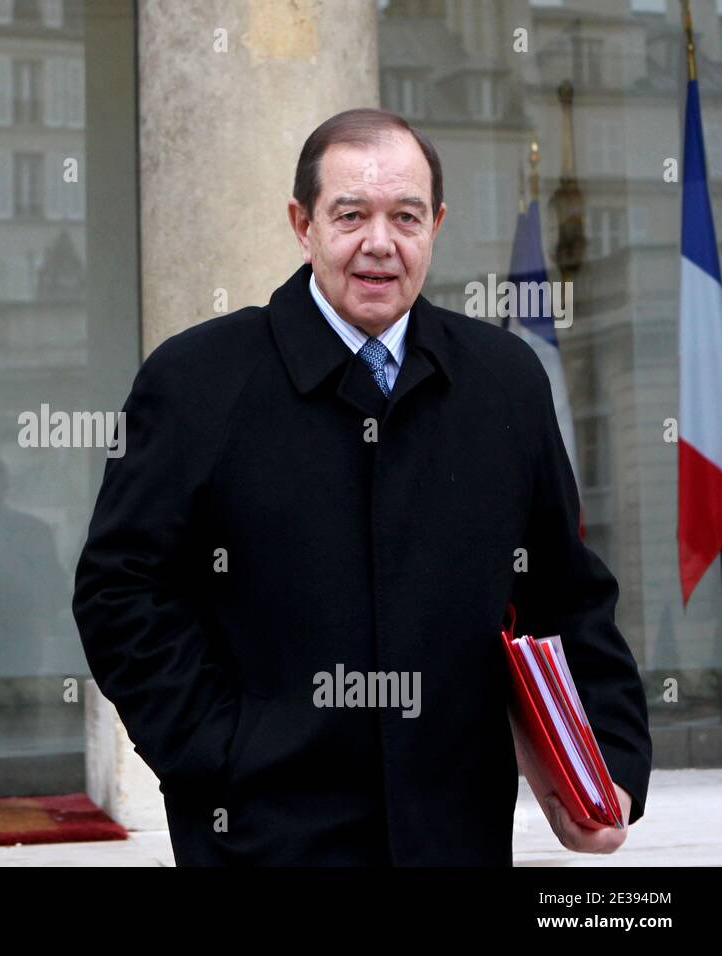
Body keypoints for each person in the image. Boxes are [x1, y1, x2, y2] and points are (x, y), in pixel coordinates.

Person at [72, 108, 652, 865]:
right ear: (302, 223)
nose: (380, 242)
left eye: (405, 215)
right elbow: (121, 590)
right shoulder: (196, 379)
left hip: (456, 834)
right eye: (351, 215)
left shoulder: (505, 381)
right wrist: (222, 752)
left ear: (436, 224)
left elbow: (564, 593)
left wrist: (604, 764)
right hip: (261, 837)